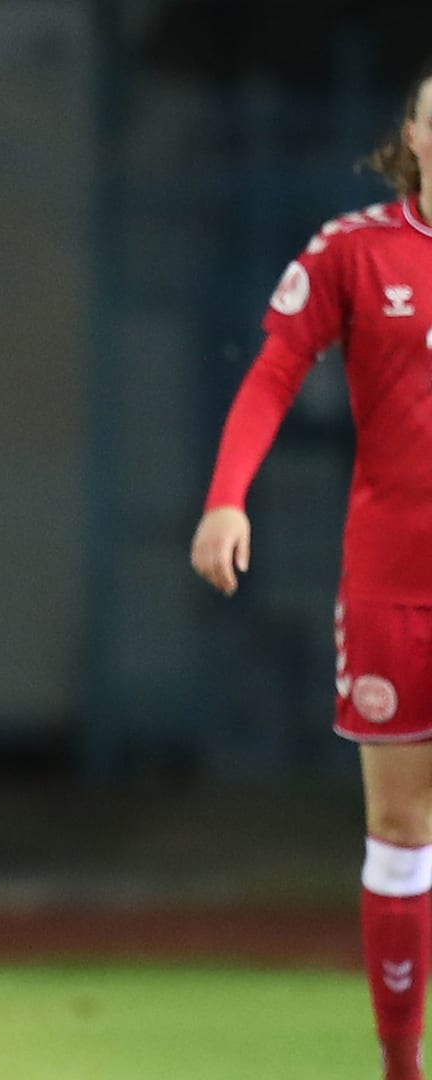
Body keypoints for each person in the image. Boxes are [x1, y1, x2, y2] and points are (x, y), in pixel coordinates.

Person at [191, 62, 432, 1080]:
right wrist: (227, 497)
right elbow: (276, 369)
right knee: (400, 826)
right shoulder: (356, 249)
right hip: (393, 583)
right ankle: (400, 1064)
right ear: (413, 135)